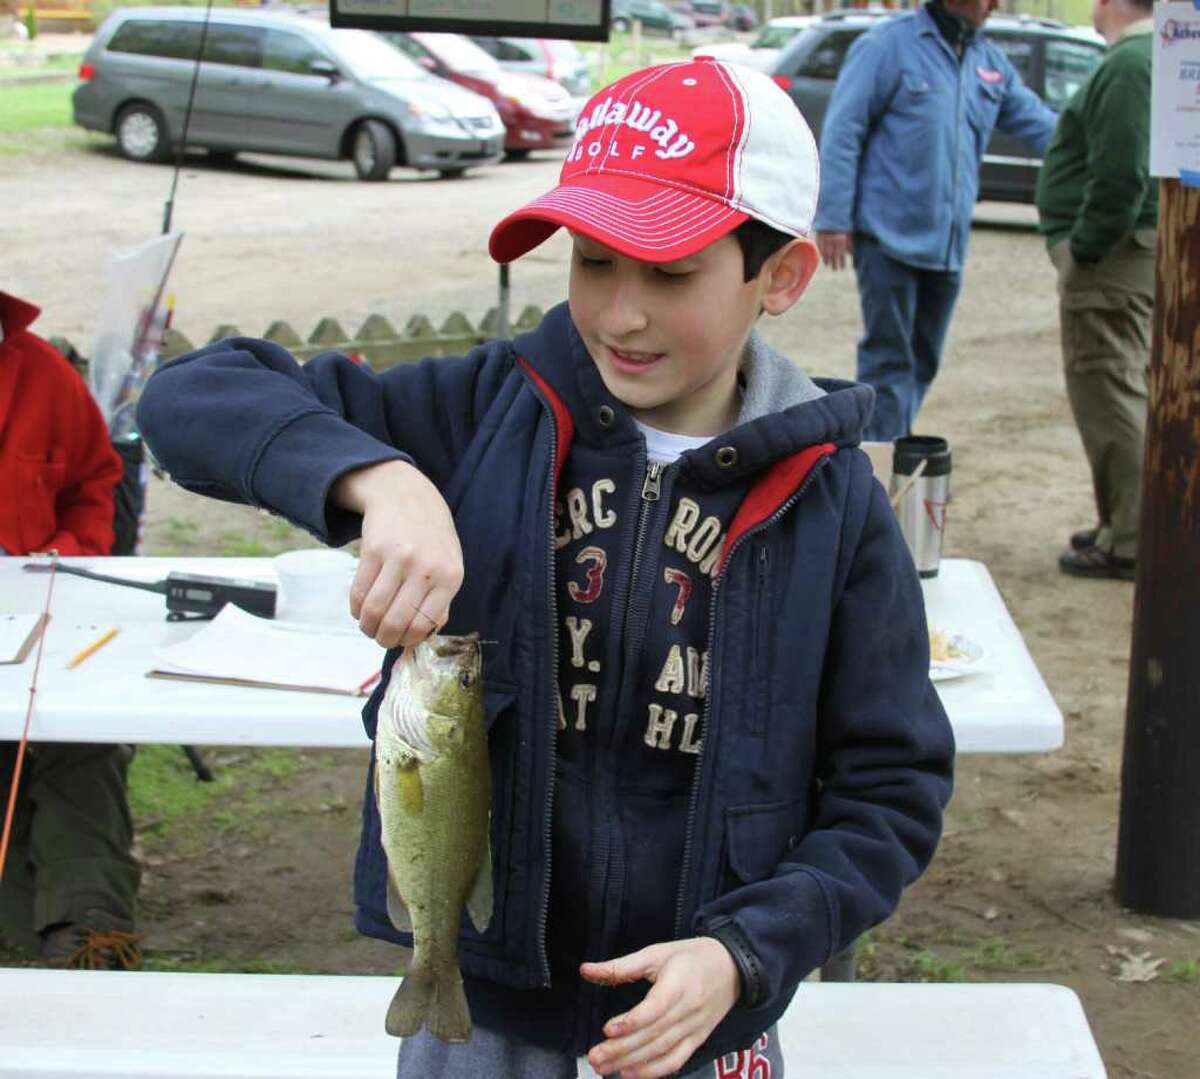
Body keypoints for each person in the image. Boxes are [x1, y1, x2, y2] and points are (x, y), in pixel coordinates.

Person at [137, 59, 954, 1078]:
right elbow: (190, 397)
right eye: (595, 260)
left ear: (778, 277)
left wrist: (747, 951)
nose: (619, 314)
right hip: (482, 1014)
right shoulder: (480, 411)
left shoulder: (835, 509)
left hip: (693, 1022)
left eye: (670, 272)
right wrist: (376, 477)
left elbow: (891, 789)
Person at [814, 0, 1059, 442]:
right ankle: (878, 464)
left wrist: (1097, 138)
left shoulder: (988, 60)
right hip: (886, 236)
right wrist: (834, 218)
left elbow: (1042, 126)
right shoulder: (887, 47)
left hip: (946, 246)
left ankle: (891, 445)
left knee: (923, 358)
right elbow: (843, 130)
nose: (996, 5)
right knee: (889, 358)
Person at [0, 289, 143, 969]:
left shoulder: (43, 372)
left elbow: (96, 482)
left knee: (81, 734)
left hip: (39, 623)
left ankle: (89, 933)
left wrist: (69, 549)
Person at [1035, 0, 1157, 581]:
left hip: (1112, 259)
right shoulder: (1148, 56)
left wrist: (1086, 246)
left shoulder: (1133, 60)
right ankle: (1121, 523)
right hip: (1126, 254)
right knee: (1116, 388)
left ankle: (1131, 538)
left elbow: (1122, 170)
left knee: (1107, 389)